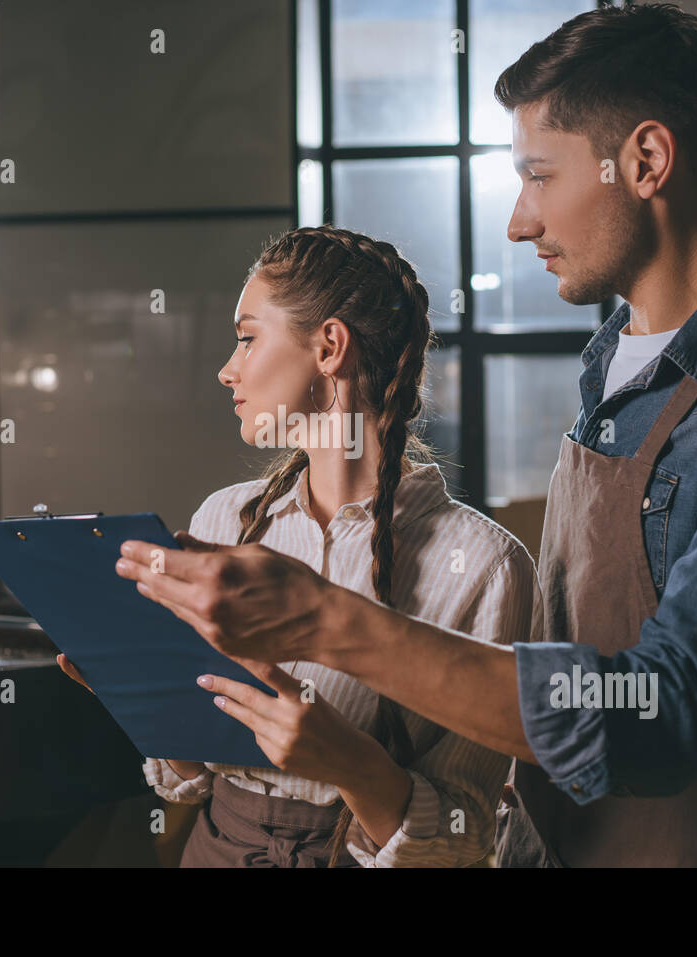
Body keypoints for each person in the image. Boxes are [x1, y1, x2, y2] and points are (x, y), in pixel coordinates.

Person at [114, 2, 697, 867]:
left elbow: (665, 713)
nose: (518, 221)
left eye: (539, 176)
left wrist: (323, 621)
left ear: (645, 160)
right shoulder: (614, 357)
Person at [62, 225, 534, 867]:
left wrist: (348, 763)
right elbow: (193, 775)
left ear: (329, 346)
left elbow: (466, 837)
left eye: (248, 337)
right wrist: (142, 698)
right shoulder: (223, 519)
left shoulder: (486, 565)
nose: (227, 370)